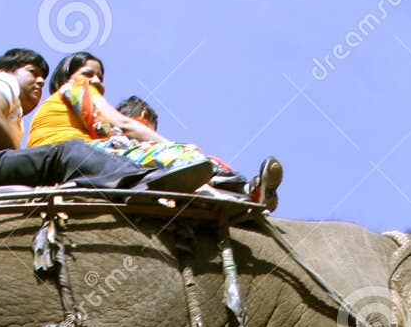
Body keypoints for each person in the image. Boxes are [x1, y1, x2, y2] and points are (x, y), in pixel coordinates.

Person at [0, 48, 213, 197]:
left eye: (43, 78)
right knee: (68, 152)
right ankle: (141, 182)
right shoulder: (1, 80)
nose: (39, 82)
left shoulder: (19, 119)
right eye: (32, 72)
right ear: (7, 69)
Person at [29, 51, 282, 209]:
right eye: (89, 73)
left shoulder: (63, 112)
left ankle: (243, 193)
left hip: (60, 163)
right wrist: (169, 147)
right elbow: (123, 126)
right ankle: (244, 190)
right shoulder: (75, 87)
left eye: (101, 78)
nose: (97, 81)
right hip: (78, 156)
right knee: (184, 156)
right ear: (67, 76)